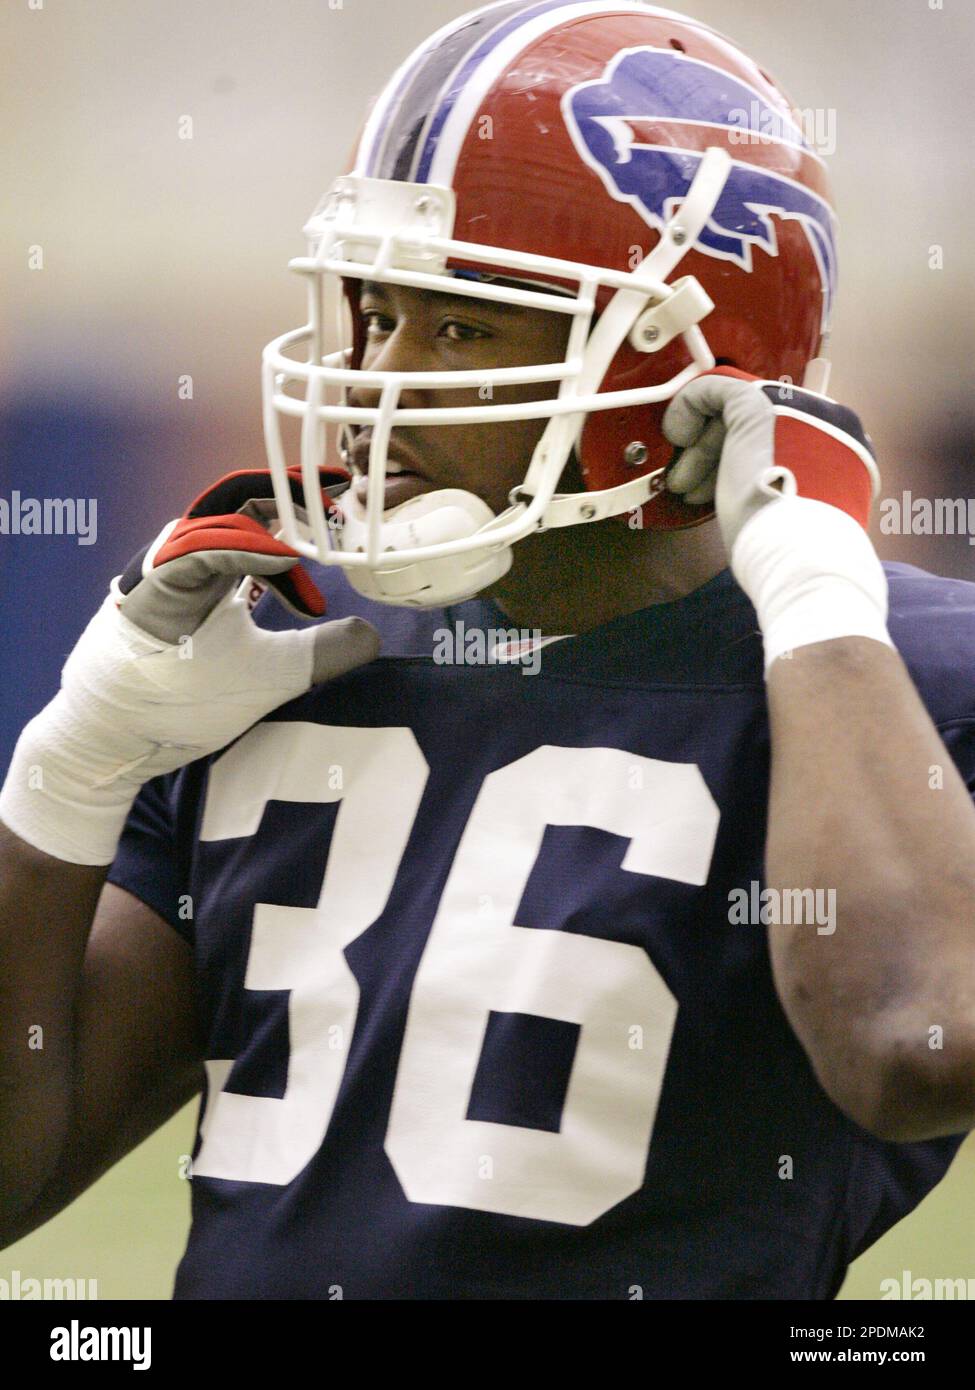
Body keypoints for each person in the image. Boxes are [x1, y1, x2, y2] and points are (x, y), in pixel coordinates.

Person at [1, 0, 973, 1300]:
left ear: (681, 369)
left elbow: (913, 1043)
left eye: (458, 327)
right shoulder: (288, 656)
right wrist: (66, 773)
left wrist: (811, 595)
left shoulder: (892, 679)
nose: (374, 383)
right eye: (374, 312)